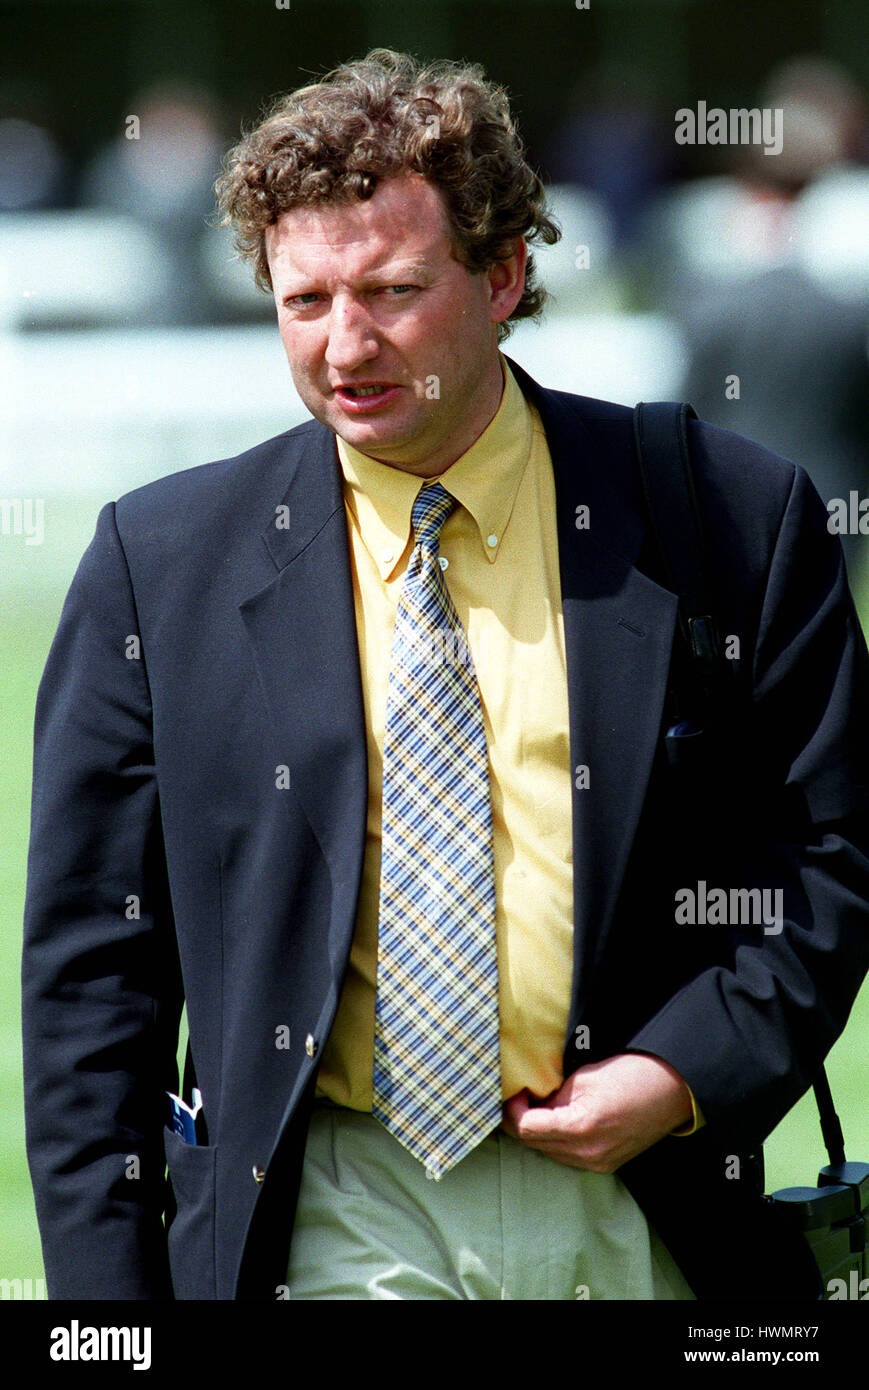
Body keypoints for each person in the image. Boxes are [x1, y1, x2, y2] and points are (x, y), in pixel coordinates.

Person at [22, 48, 869, 1302]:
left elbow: (833, 852)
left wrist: (687, 1071)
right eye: (303, 301)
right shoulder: (158, 565)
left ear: (504, 273)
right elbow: (93, 978)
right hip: (323, 1209)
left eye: (391, 290)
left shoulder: (727, 516)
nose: (344, 344)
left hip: (655, 1207)